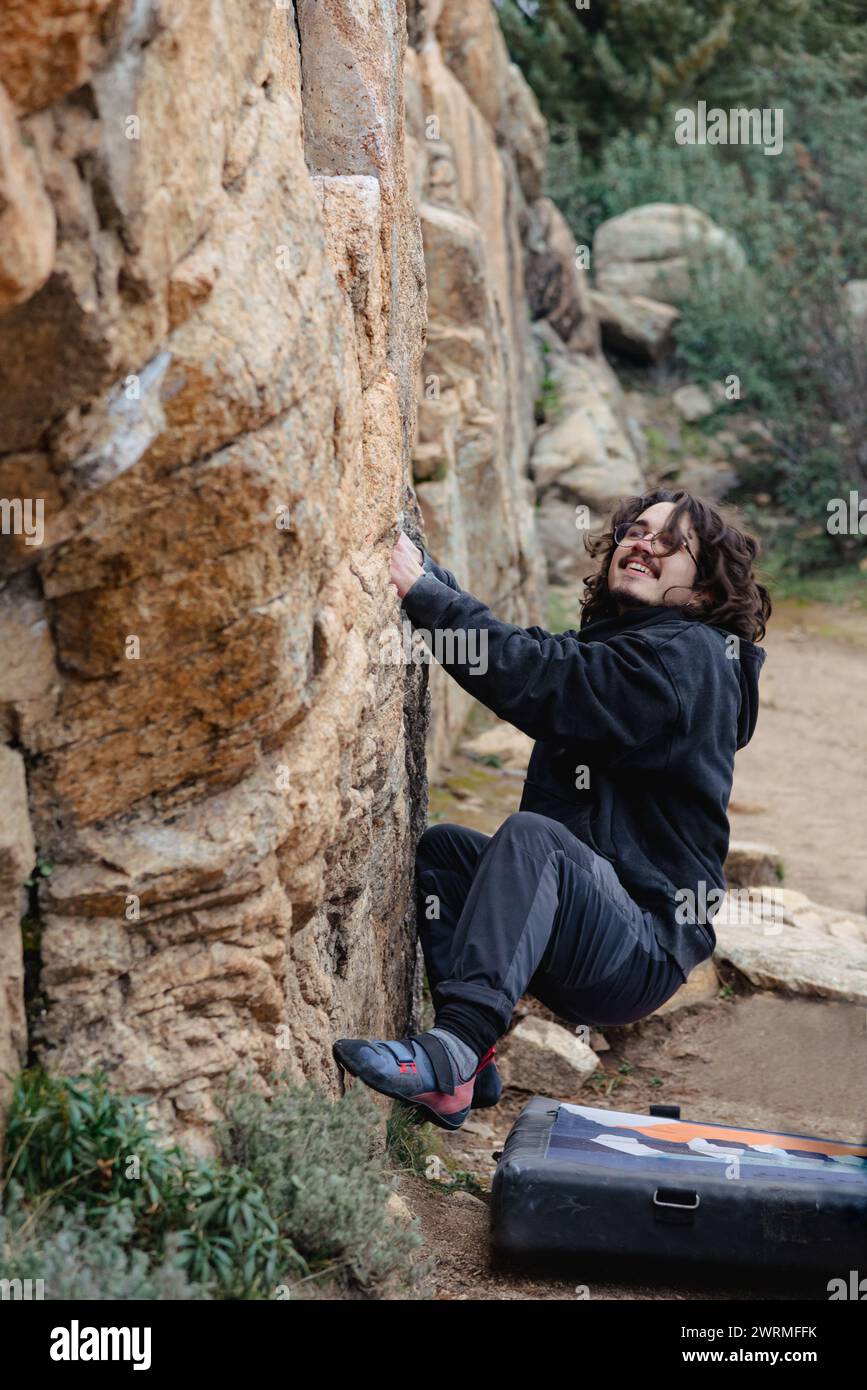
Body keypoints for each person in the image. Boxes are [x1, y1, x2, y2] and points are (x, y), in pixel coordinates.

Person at [332, 488, 771, 1130]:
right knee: (448, 855)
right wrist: (432, 582)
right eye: (636, 531)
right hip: (588, 925)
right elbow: (543, 657)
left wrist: (425, 595)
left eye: (673, 543)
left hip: (639, 948)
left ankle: (453, 1044)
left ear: (703, 593)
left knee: (534, 840)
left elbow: (542, 679)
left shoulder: (687, 662)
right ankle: (467, 1075)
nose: (644, 543)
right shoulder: (640, 644)